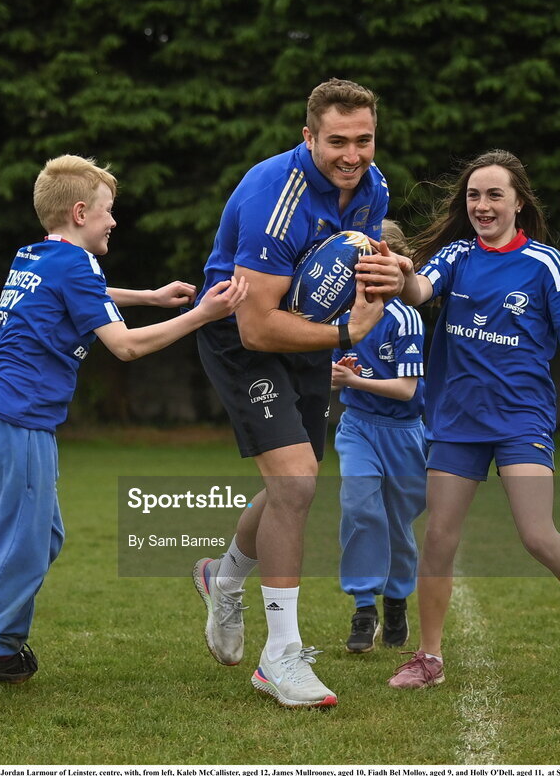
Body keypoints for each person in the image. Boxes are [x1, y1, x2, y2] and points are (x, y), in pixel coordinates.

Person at [0, 154, 247, 714]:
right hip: (20, 421)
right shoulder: (75, 265)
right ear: (80, 213)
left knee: (41, 539)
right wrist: (203, 314)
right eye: (107, 211)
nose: (113, 221)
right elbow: (125, 347)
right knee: (18, 554)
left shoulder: (37, 256)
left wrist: (149, 297)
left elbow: (83, 292)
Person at [388, 149, 560, 689]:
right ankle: (429, 658)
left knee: (537, 535)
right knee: (438, 537)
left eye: (494, 195)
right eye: (473, 196)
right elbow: (418, 292)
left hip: (520, 418)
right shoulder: (456, 255)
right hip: (457, 419)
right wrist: (402, 272)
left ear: (518, 202)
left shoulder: (546, 264)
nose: (481, 205)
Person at [190, 78, 403, 709]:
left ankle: (223, 579)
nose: (352, 156)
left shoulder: (373, 187)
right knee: (297, 484)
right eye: (337, 141)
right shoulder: (273, 196)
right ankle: (280, 655)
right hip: (242, 338)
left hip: (307, 334)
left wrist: (388, 280)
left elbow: (354, 269)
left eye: (364, 140)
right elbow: (255, 326)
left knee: (293, 483)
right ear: (308, 137)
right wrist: (346, 332)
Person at [330, 219, 427, 654]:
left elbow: (406, 390)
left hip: (403, 434)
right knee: (359, 506)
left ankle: (396, 598)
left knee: (397, 525)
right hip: (358, 426)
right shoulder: (340, 315)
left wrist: (352, 380)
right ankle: (364, 606)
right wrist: (335, 378)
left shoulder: (406, 319)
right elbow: (330, 372)